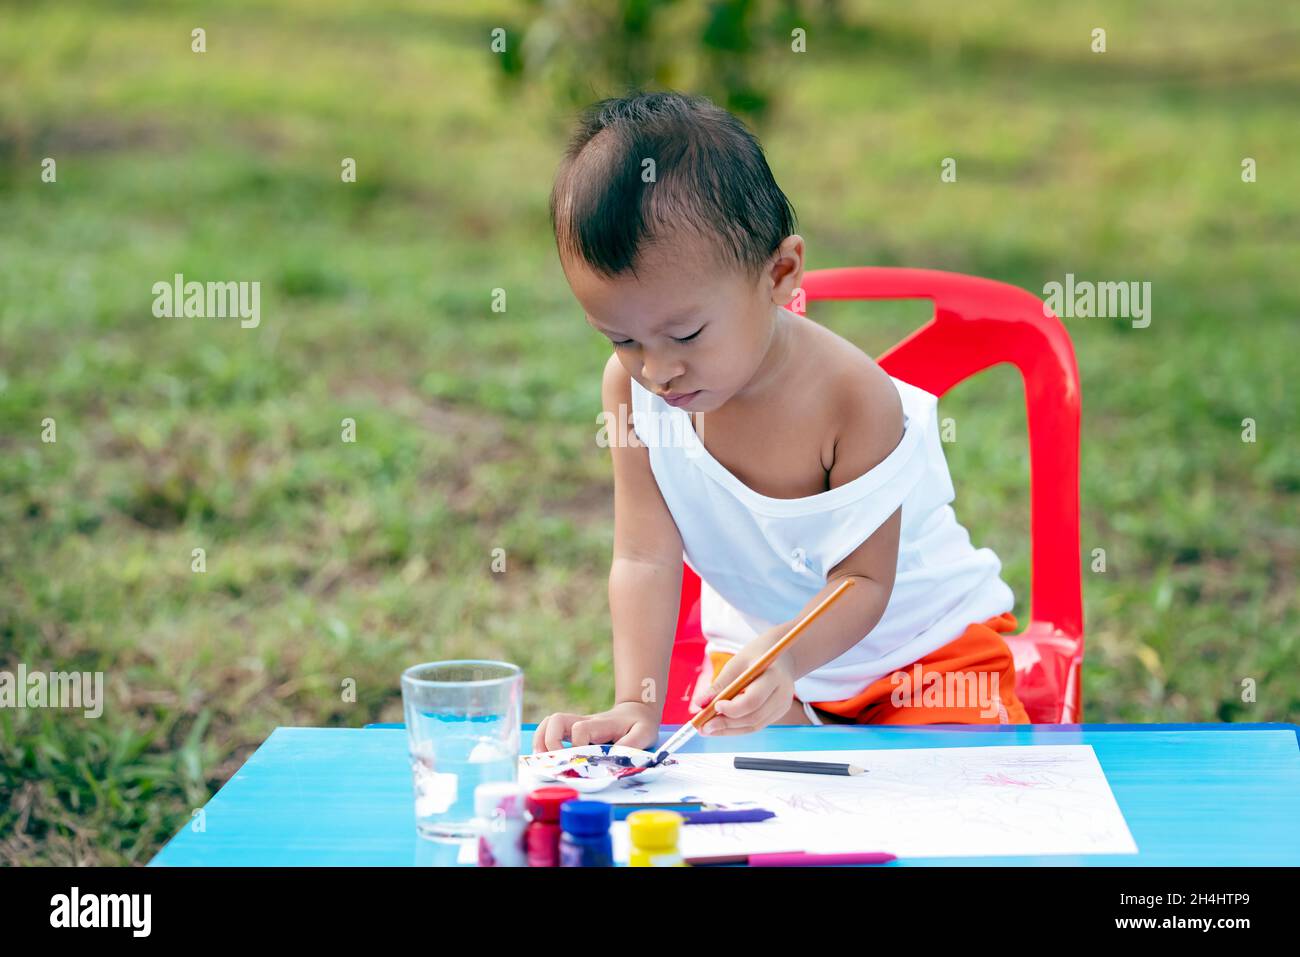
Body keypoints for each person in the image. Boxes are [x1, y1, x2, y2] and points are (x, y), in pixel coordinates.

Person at [534, 91, 1028, 754]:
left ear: (780, 273)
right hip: (764, 667)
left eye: (686, 333)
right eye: (621, 338)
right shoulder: (631, 393)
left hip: (925, 657)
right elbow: (643, 555)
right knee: (750, 796)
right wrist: (635, 702)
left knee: (959, 788)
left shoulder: (853, 399)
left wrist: (788, 656)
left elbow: (864, 580)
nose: (657, 369)